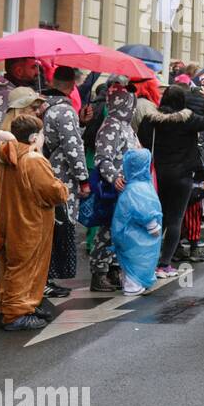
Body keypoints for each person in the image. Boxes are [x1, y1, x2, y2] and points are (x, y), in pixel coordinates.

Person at [0, 114, 70, 330]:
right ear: (34, 137)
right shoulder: (33, 160)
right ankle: (16, 314)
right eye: (41, 134)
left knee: (11, 267)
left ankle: (19, 306)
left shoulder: (6, 156)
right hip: (29, 223)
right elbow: (53, 192)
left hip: (8, 220)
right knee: (26, 268)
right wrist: (63, 187)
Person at [138, 85, 204, 278]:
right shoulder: (187, 119)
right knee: (175, 219)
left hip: (157, 175)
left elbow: (142, 139)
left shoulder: (151, 119)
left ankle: (149, 259)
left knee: (156, 219)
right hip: (182, 176)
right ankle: (165, 263)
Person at [39, 66, 88, 297]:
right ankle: (46, 280)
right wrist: (84, 178)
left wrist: (82, 124)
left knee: (47, 227)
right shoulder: (64, 111)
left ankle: (43, 279)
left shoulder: (42, 104)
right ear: (72, 85)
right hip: (62, 177)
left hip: (44, 170)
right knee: (59, 228)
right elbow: (73, 147)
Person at [90, 78, 141, 291]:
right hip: (115, 189)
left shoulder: (126, 126)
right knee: (108, 230)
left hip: (128, 188)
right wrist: (115, 177)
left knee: (120, 231)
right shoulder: (111, 125)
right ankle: (99, 272)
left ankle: (112, 268)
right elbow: (102, 158)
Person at [110, 148, 163, 296]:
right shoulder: (139, 188)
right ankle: (132, 286)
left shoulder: (131, 186)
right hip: (136, 234)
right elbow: (143, 210)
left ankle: (132, 283)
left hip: (127, 232)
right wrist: (152, 225)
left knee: (129, 262)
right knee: (139, 260)